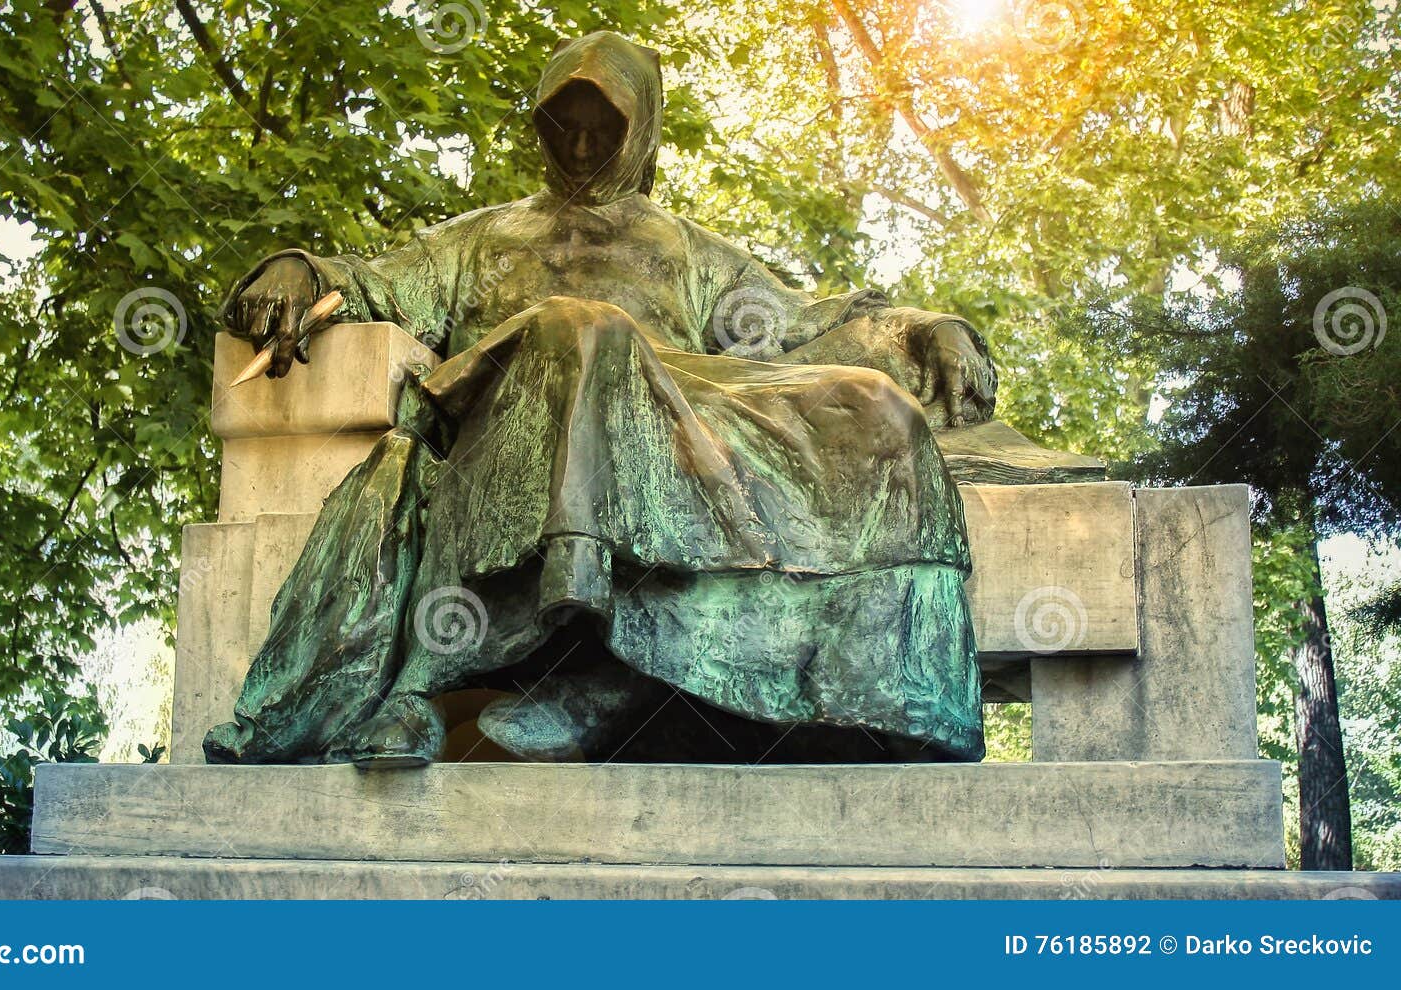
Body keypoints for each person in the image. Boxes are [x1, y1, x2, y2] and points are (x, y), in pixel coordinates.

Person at [203, 30, 996, 768]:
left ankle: (644, 683)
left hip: (668, 437)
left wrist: (925, 327)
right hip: (511, 434)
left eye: (603, 126)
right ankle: (546, 663)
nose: (581, 146)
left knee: (872, 403)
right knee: (584, 329)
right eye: (564, 124)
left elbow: (804, 325)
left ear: (641, 132)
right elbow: (373, 281)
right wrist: (297, 269)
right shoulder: (480, 240)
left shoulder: (689, 252)